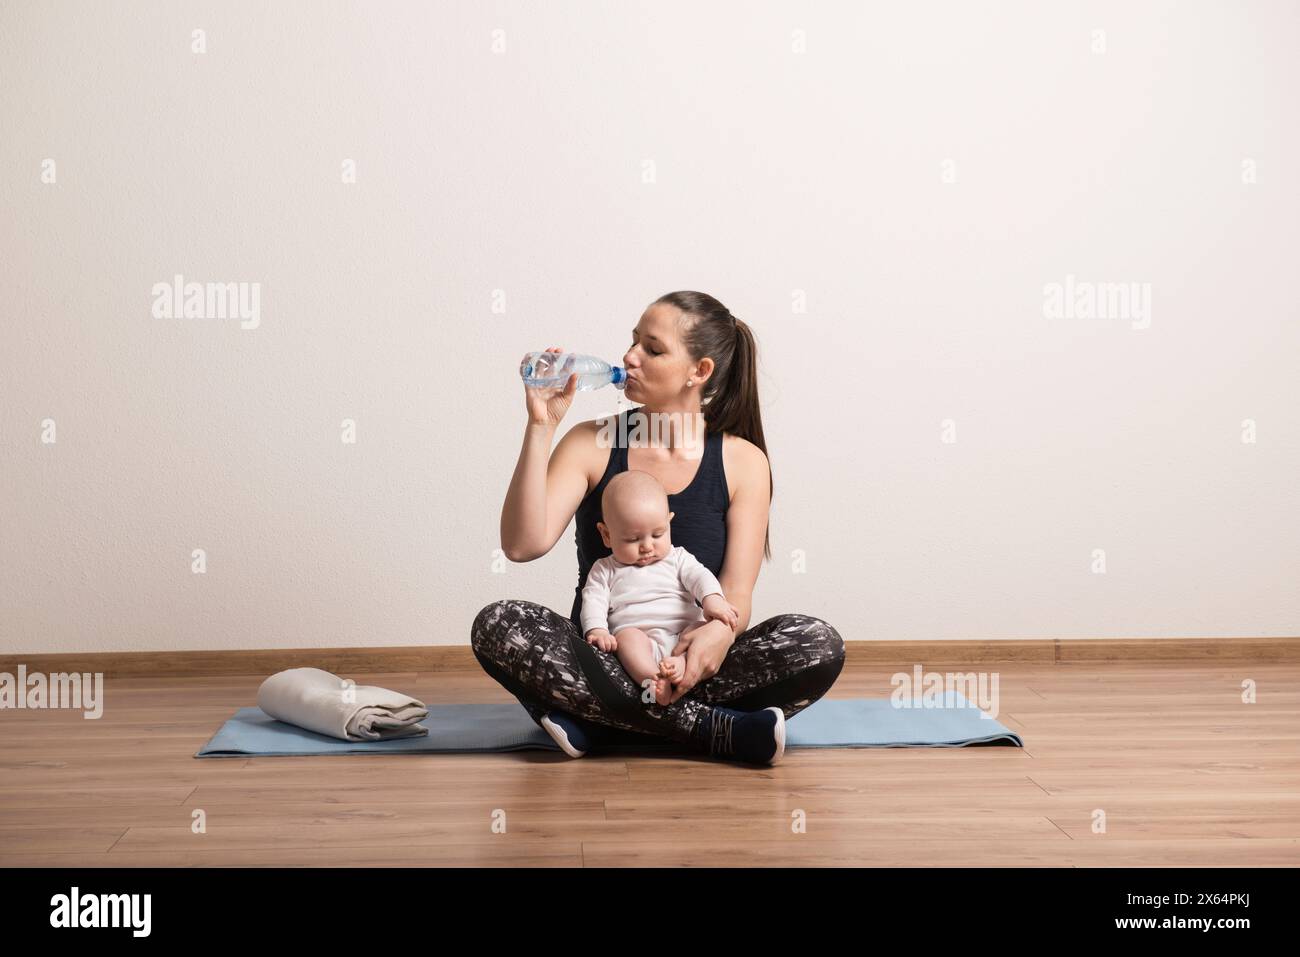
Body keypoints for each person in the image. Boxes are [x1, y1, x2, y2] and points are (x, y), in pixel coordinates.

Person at [470, 290, 845, 766]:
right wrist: (540, 428)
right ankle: (711, 728)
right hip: (606, 654)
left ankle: (596, 718)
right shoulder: (593, 442)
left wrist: (718, 637)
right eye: (633, 342)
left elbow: (736, 594)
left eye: (652, 348)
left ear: (699, 371)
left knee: (815, 642)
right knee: (499, 624)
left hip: (695, 660)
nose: (629, 357)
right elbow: (522, 546)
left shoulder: (744, 462)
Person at [580, 469, 740, 707]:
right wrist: (597, 630)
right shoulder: (605, 569)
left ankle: (680, 666)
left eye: (657, 534)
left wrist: (712, 599)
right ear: (606, 535)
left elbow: (700, 577)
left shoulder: (678, 558)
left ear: (669, 522)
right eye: (632, 539)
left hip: (682, 634)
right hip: (639, 639)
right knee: (627, 639)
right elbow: (593, 599)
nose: (646, 546)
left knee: (699, 630)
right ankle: (651, 678)